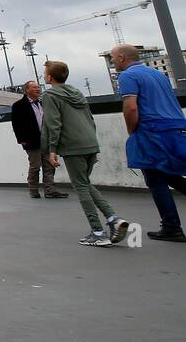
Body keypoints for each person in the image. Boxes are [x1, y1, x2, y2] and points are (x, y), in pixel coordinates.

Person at [40, 60, 131, 247]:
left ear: (49, 77)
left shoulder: (49, 95)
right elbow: (90, 119)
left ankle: (97, 231)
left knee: (80, 187)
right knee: (85, 183)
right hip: (89, 142)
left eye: (45, 72)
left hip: (72, 145)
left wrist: (52, 150)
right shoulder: (77, 93)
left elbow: (53, 124)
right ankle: (113, 218)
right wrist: (93, 146)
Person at [110, 43, 186, 242]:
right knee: (172, 174)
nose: (112, 61)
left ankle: (172, 227)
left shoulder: (127, 76)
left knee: (156, 179)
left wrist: (131, 130)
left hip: (151, 131)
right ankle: (171, 226)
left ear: (121, 58)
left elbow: (131, 107)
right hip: (175, 129)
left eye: (113, 57)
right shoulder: (159, 75)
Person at [10, 81, 68, 199]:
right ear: (27, 90)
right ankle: (33, 190)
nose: (38, 89)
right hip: (31, 141)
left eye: (38, 87)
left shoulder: (43, 102)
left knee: (49, 166)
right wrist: (22, 140)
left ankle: (49, 190)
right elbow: (16, 125)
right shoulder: (18, 105)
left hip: (46, 140)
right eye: (35, 87)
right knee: (35, 165)